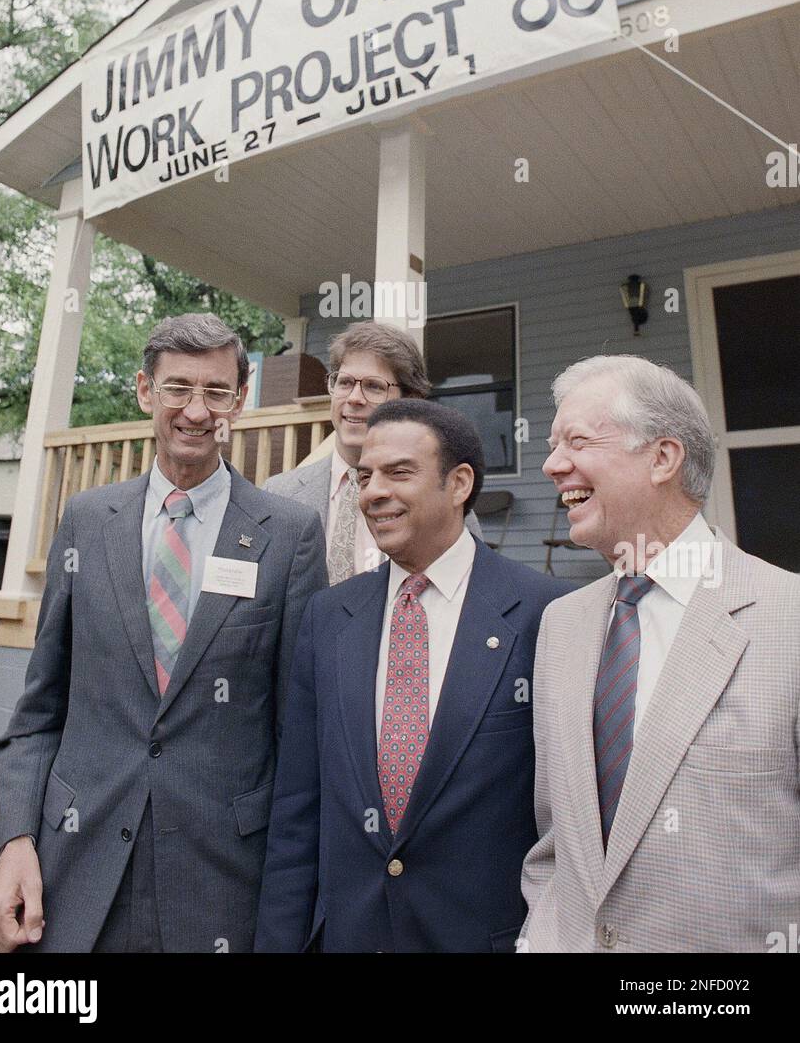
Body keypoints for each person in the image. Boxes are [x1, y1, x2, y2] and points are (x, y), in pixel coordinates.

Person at [0, 313, 327, 953]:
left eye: (216, 392)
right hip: (77, 873)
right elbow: (38, 711)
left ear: (239, 401)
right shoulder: (86, 521)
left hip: (222, 884)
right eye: (178, 388)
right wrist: (14, 840)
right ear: (145, 391)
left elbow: (298, 732)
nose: (196, 411)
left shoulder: (290, 534)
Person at [255, 398, 572, 953]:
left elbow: (567, 818)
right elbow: (297, 812)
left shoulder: (547, 613)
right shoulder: (328, 617)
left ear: (459, 483)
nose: (373, 491)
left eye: (399, 473)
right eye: (365, 475)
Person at [521, 355, 800, 954]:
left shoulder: (790, 619)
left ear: (663, 458)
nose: (551, 465)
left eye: (576, 441)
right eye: (550, 445)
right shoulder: (560, 627)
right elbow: (556, 842)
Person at [265, 321, 481, 584]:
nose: (354, 398)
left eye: (373, 386)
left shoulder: (444, 497)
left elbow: (470, 589)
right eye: (344, 383)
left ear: (409, 400)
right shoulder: (278, 494)